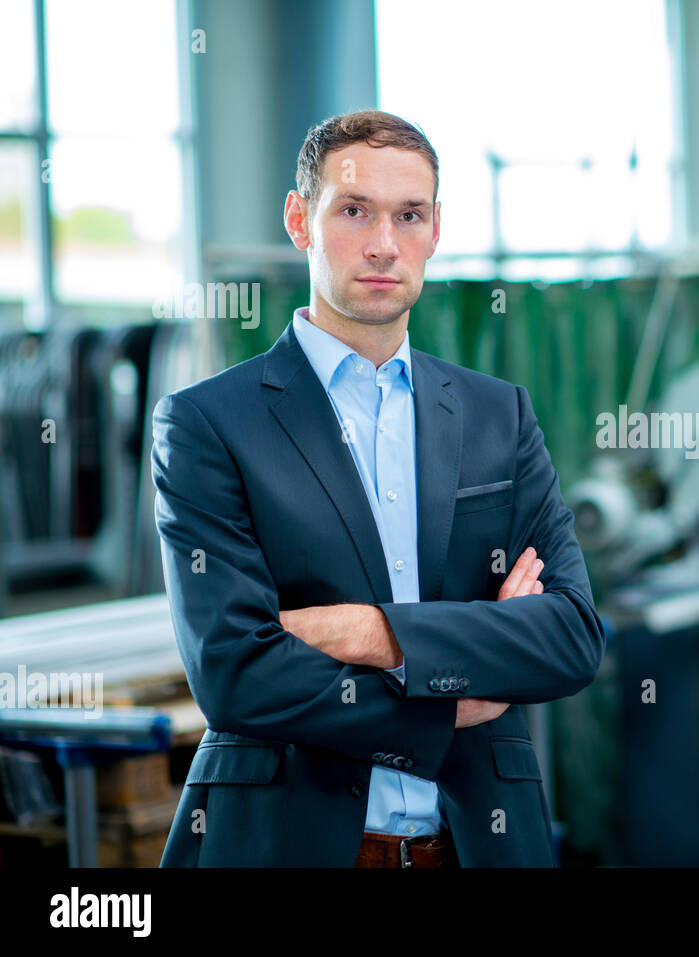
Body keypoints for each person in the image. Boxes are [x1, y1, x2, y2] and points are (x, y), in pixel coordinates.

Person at [152, 110, 605, 867]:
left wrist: (372, 633)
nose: (383, 244)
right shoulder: (209, 425)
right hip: (292, 845)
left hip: (480, 844)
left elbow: (570, 636)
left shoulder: (499, 415)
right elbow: (237, 674)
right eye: (354, 211)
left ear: (435, 228)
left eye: (409, 215)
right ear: (301, 220)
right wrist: (456, 693)